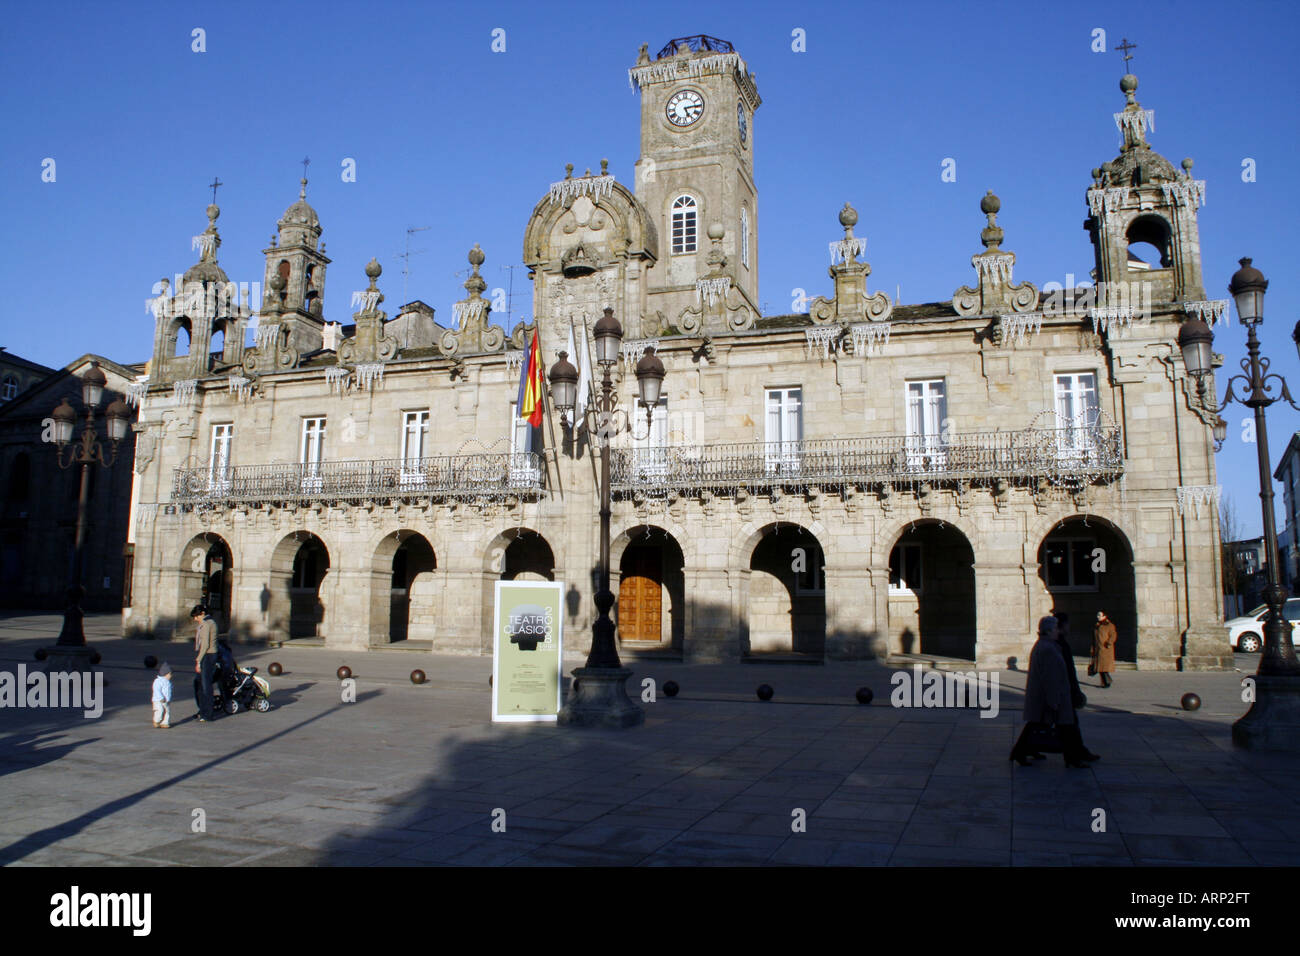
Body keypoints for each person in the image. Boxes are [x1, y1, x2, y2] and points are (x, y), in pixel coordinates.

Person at [1053, 611, 1100, 763]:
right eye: (1067, 624)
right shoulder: (1057, 645)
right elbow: (1064, 671)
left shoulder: (1058, 643)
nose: (1069, 627)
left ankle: (1076, 753)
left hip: (1064, 691)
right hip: (1063, 692)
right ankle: (1076, 754)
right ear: (1062, 625)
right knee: (1069, 725)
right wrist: (1073, 690)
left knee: (1067, 725)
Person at [192, 605, 218, 722]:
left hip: (208, 656)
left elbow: (205, 645)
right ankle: (202, 710)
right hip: (207, 655)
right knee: (199, 683)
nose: (195, 619)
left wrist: (198, 660)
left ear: (202, 613)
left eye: (196, 616)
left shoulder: (207, 624)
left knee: (205, 685)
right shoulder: (207, 622)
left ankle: (207, 713)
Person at [1092, 611, 1117, 688]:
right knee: (1100, 668)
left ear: (1104, 616)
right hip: (1098, 649)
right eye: (1097, 615)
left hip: (1106, 649)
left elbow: (1113, 635)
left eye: (1100, 615)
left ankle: (1107, 682)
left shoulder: (1110, 625)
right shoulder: (1097, 625)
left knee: (1103, 668)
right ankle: (1105, 682)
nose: (1098, 616)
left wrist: (1109, 643)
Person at [152, 662, 172, 729]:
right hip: (158, 700)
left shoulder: (168, 682)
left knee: (167, 711)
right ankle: (156, 720)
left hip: (166, 700)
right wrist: (160, 698)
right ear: (165, 674)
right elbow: (156, 690)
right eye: (170, 674)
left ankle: (165, 722)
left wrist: (169, 699)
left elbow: (169, 691)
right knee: (159, 710)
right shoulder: (158, 681)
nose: (171, 676)